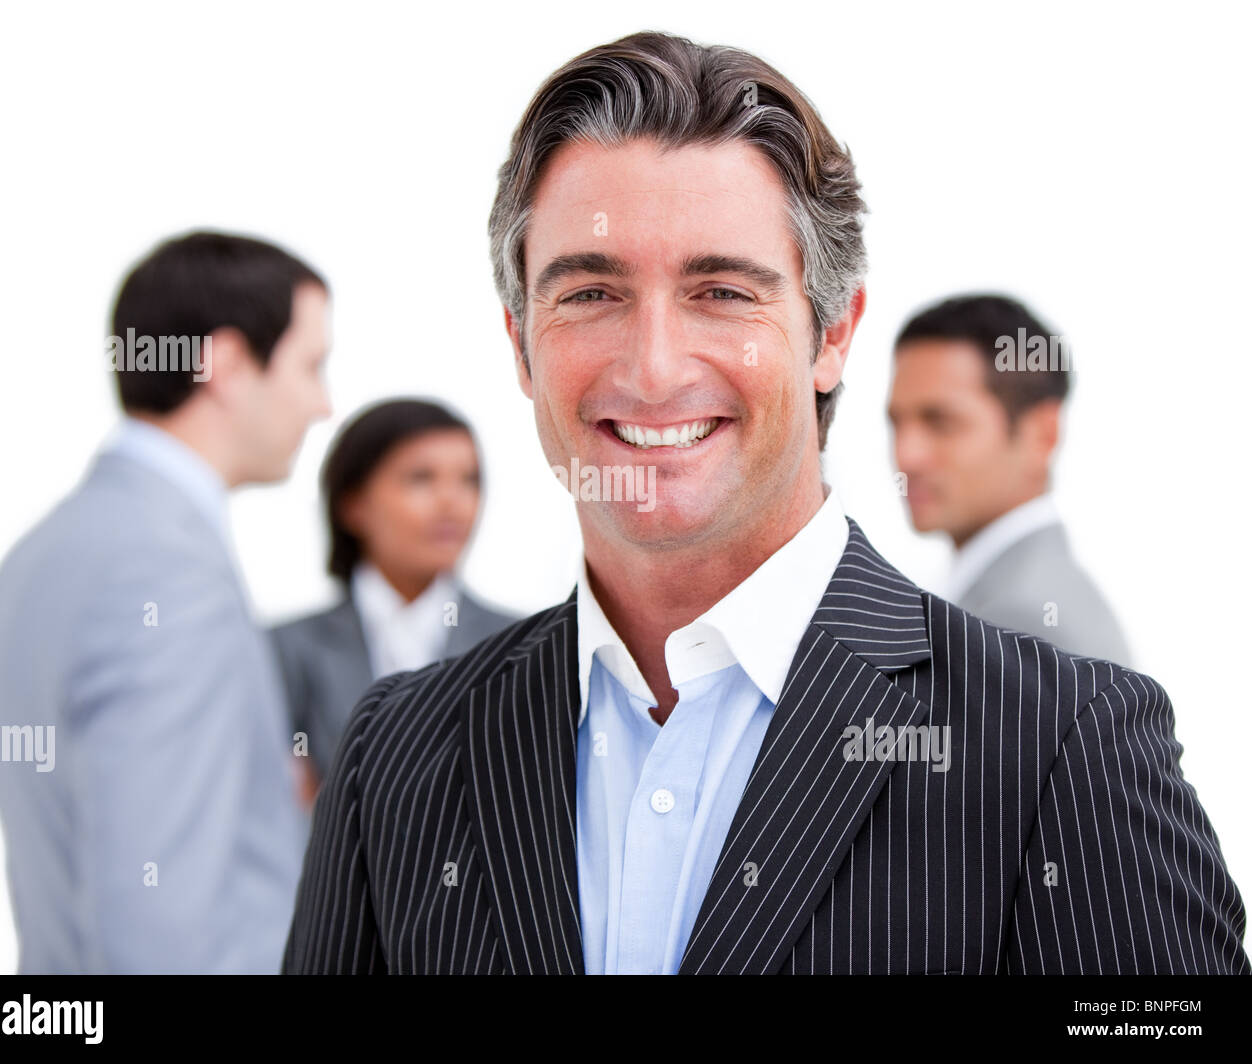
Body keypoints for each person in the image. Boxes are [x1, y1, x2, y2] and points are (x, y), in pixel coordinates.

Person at [283, 32, 1248, 975]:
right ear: (520, 342)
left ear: (833, 334)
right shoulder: (396, 754)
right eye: (589, 294)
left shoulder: (1057, 743)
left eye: (721, 292)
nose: (654, 367)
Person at [0, 231, 331, 973]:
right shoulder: (163, 574)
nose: (324, 405)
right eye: (311, 366)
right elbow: (159, 931)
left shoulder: (44, 552)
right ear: (227, 364)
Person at [271, 398, 520, 800]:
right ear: (353, 504)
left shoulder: (524, 644)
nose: (451, 502)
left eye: (469, 480)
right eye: (421, 478)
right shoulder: (284, 649)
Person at [887, 293, 1131, 664]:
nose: (907, 455)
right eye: (896, 423)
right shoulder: (1025, 596)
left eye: (941, 423)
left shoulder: (1022, 622)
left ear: (1042, 434)